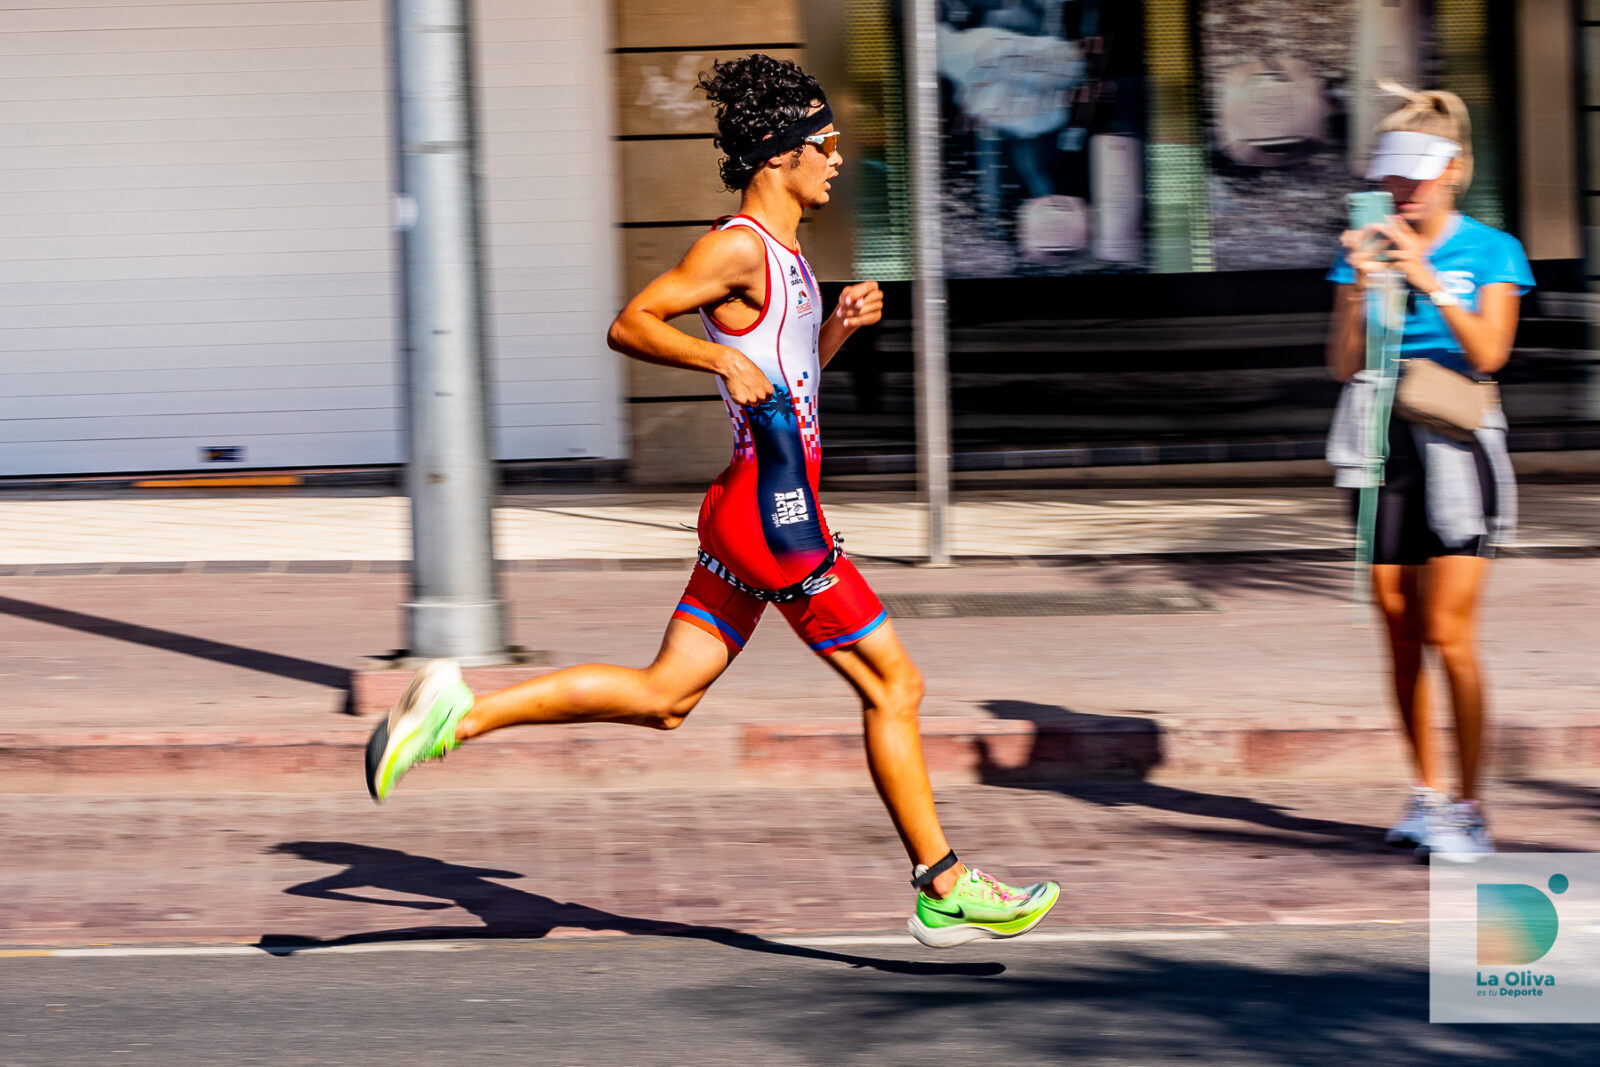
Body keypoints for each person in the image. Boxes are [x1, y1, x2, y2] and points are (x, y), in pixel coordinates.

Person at [365, 53, 1059, 946]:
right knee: (896, 683)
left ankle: (460, 713)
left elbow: (784, 382)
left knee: (665, 696)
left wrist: (833, 332)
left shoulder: (788, 257)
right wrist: (716, 355)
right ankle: (944, 882)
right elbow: (632, 323)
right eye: (827, 142)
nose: (840, 158)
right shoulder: (733, 246)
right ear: (779, 155)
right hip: (777, 519)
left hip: (752, 503)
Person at [1326, 84, 1532, 860]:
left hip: (1457, 442)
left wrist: (1427, 277)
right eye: (1390, 175)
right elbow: (1342, 364)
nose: (1400, 190)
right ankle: (1427, 793)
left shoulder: (1491, 249)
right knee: (1398, 629)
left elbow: (1489, 354)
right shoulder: (1366, 245)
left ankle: (1471, 808)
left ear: (1450, 169)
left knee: (1450, 630)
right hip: (1379, 442)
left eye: (1413, 174)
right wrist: (1357, 289)